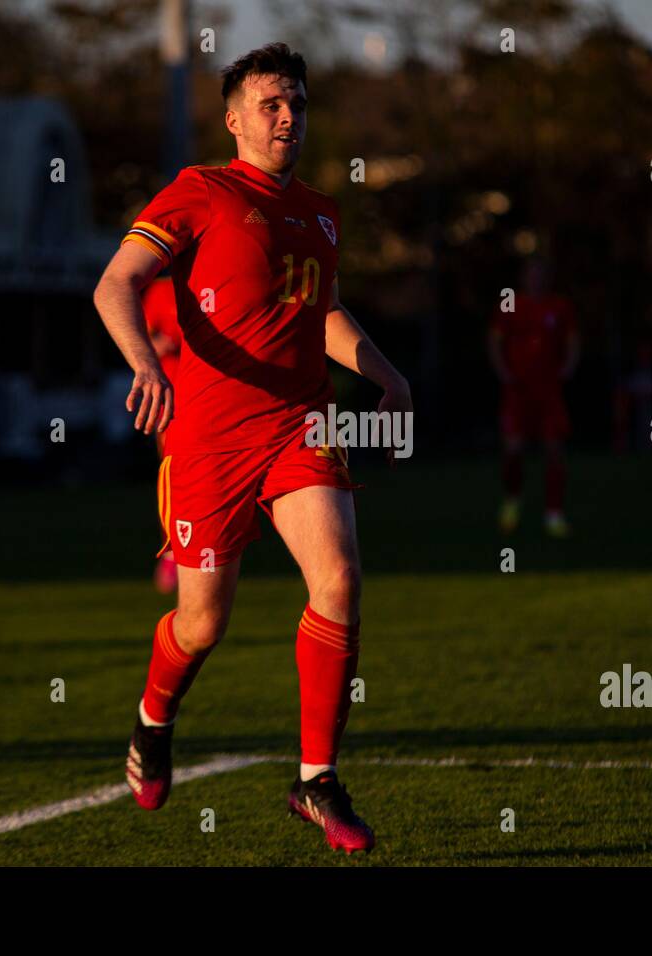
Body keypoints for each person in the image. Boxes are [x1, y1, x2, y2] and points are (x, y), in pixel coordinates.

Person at [92, 43, 412, 854]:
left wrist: (386, 374)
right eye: (270, 104)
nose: (287, 117)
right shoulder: (200, 192)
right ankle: (153, 721)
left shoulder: (322, 212)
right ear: (234, 119)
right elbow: (115, 283)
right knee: (203, 622)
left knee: (338, 577)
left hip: (302, 423)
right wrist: (143, 363)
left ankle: (316, 780)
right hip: (207, 441)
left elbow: (324, 314)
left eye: (297, 103)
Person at [487, 259, 579, 536]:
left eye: (541, 274)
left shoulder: (560, 306)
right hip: (518, 390)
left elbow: (573, 340)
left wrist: (568, 366)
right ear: (524, 278)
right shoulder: (511, 303)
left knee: (554, 450)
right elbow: (494, 339)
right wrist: (503, 371)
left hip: (549, 390)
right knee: (513, 449)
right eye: (532, 275)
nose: (536, 280)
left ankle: (554, 514)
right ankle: (512, 502)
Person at [140, 276, 182, 594]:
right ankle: (172, 551)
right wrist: (161, 345)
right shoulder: (160, 290)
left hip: (213, 394)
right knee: (173, 472)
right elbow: (144, 338)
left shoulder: (215, 275)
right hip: (172, 393)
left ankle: (206, 551)